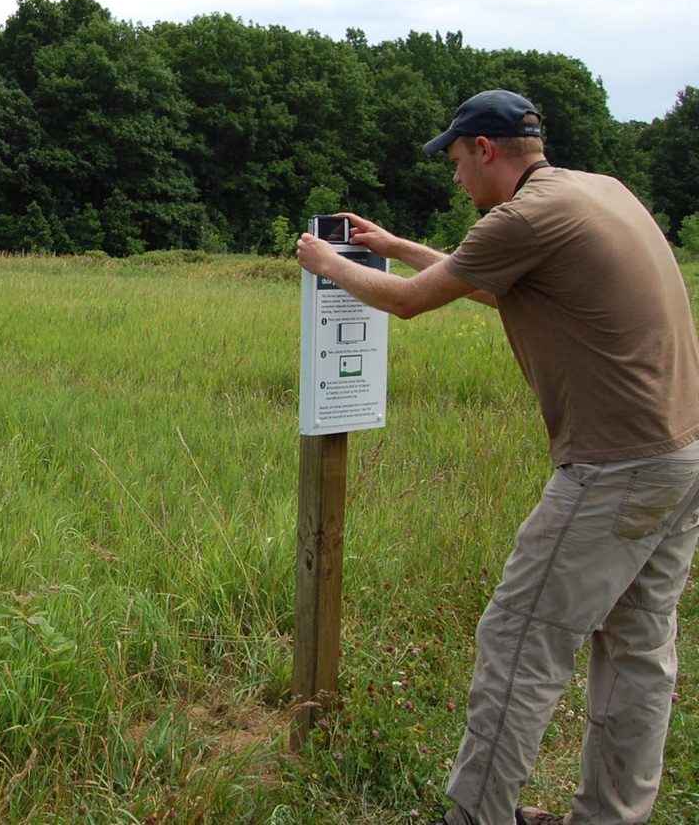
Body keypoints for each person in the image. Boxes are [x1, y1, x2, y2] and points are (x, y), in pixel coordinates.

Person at [295, 88, 699, 825]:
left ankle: (476, 814)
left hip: (615, 467)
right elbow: (489, 284)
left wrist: (327, 261)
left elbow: (411, 302)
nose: (455, 177)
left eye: (456, 160)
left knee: (519, 640)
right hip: (680, 457)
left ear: (485, 149)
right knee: (637, 646)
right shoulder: (595, 192)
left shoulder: (525, 217)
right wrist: (394, 247)